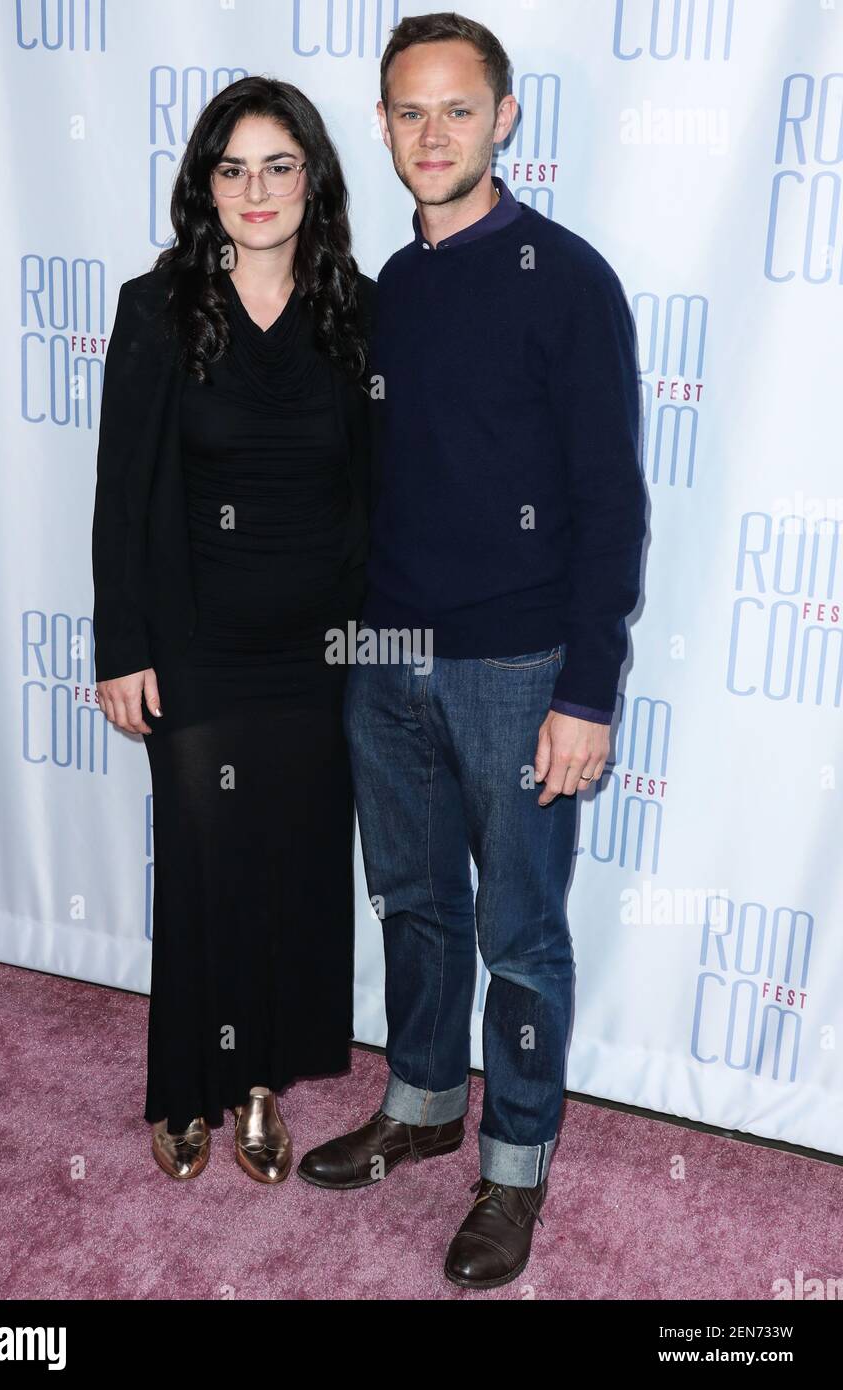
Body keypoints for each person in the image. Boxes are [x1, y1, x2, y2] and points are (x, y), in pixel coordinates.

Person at [297, 13, 648, 1288]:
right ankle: (424, 1099)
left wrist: (586, 691)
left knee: (520, 930)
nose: (430, 133)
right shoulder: (389, 293)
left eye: (457, 108)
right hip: (382, 653)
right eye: (407, 111)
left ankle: (513, 1166)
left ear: (505, 117)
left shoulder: (567, 279)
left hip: (514, 669)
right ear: (382, 126)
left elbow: (613, 504)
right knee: (415, 905)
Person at [91, 76, 374, 1185]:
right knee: (208, 866)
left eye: (279, 165)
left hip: (320, 653)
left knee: (294, 869)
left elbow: (379, 486)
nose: (257, 190)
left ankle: (258, 1086)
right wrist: (122, 645)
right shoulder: (156, 308)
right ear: (206, 185)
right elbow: (122, 493)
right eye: (233, 167)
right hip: (199, 645)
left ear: (313, 178)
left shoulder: (357, 307)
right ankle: (184, 1088)